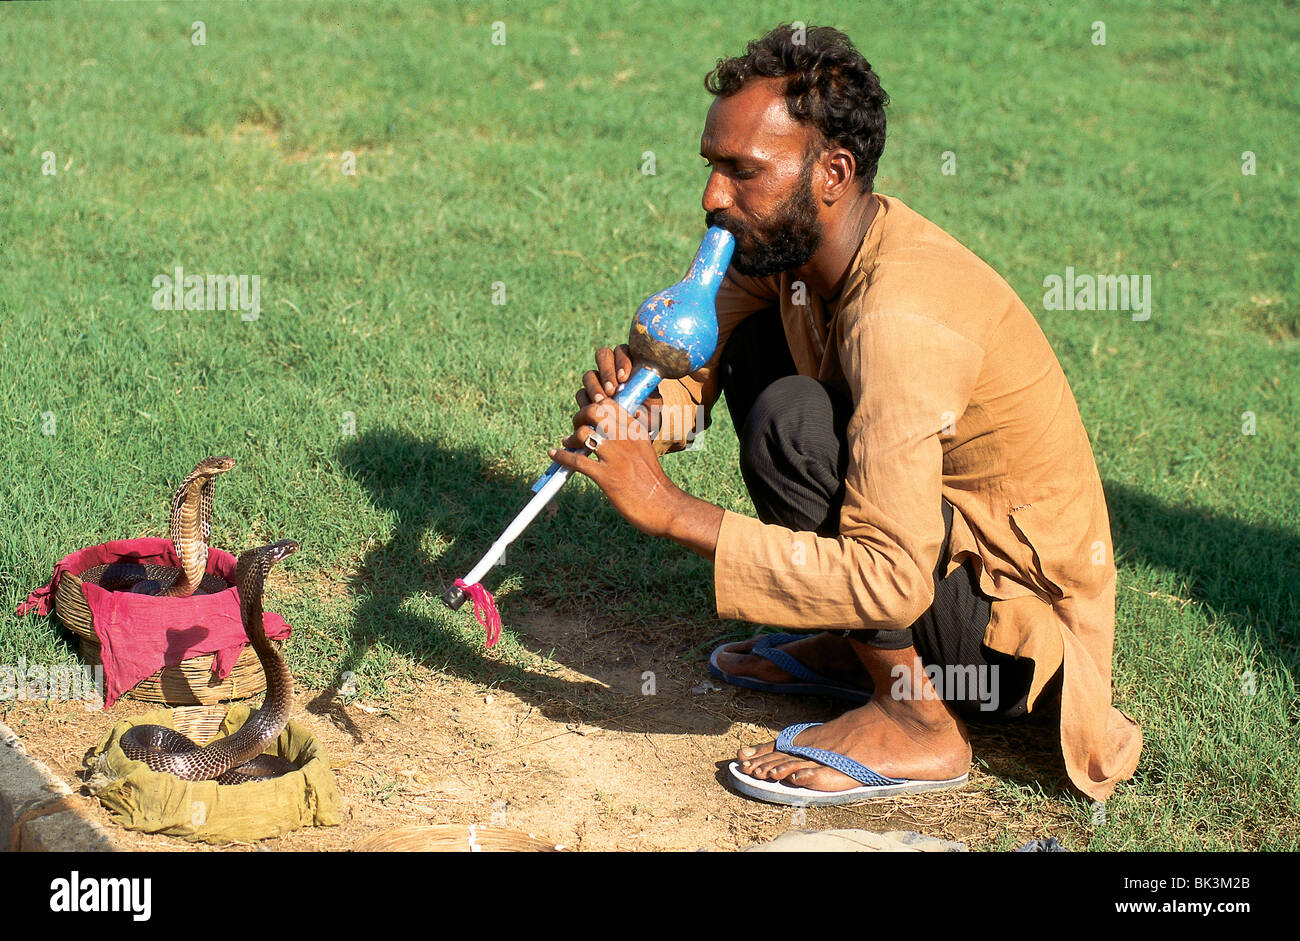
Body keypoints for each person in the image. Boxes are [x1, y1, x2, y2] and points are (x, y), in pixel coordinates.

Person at [546, 24, 1141, 805]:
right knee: (762, 351)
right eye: (710, 167)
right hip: (931, 564)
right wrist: (640, 413)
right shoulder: (789, 251)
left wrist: (667, 509)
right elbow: (697, 377)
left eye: (741, 171)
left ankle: (918, 719)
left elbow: (893, 578)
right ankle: (843, 648)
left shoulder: (901, 316)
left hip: (1007, 644)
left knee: (792, 419)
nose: (712, 197)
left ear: (833, 171)